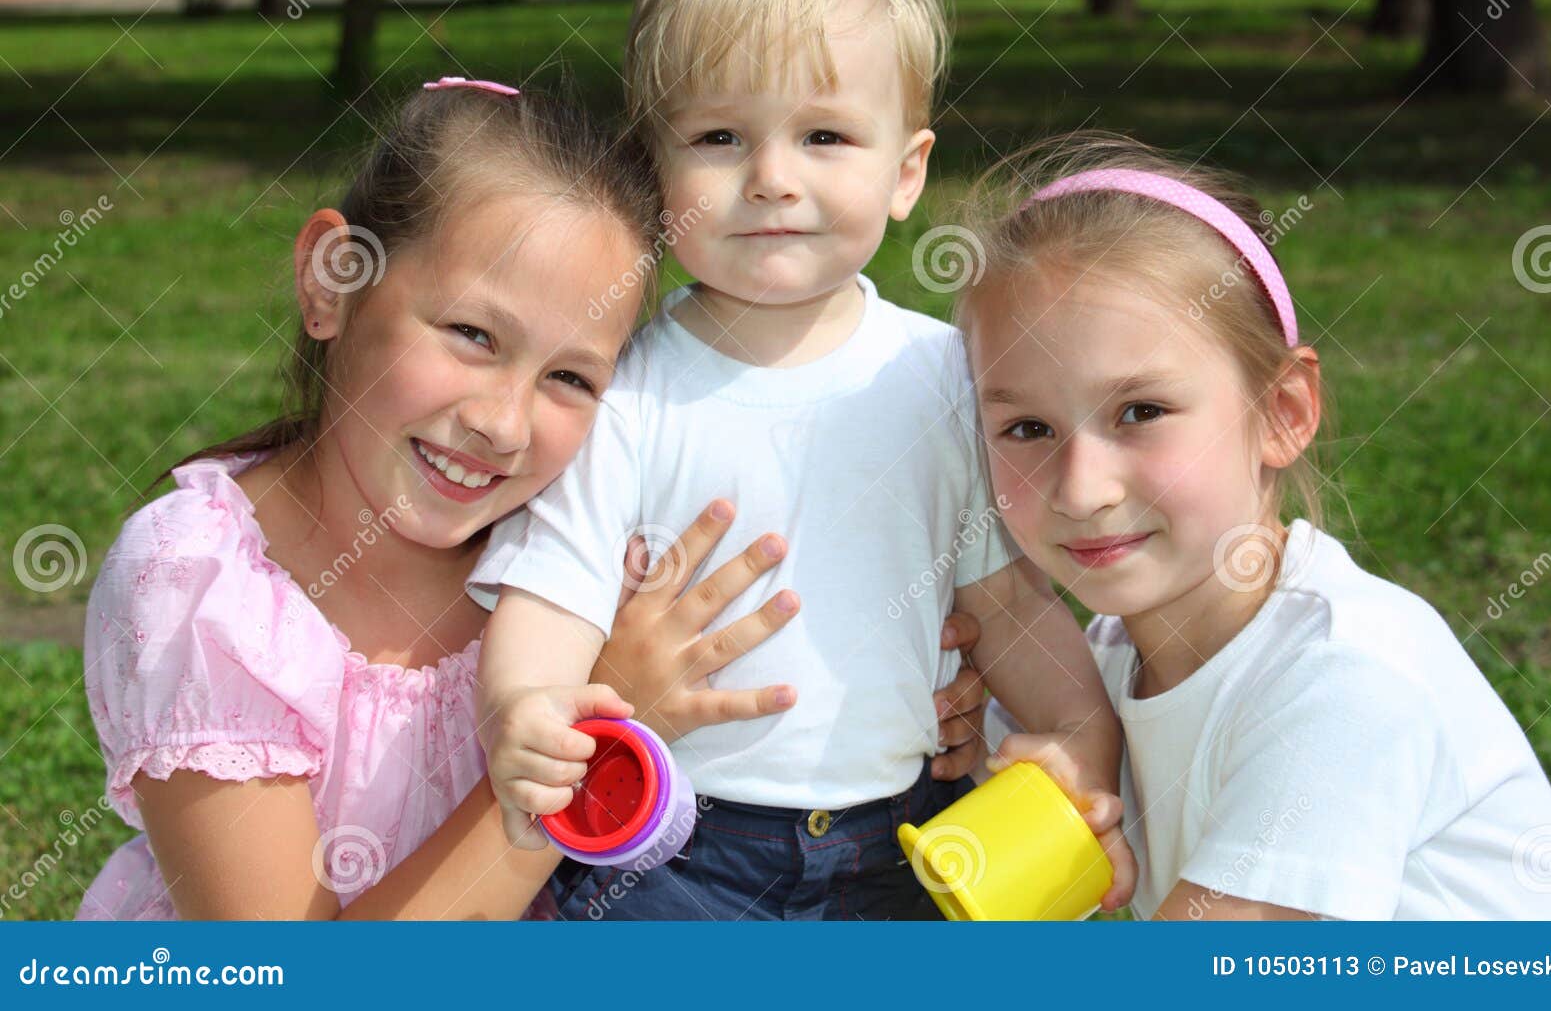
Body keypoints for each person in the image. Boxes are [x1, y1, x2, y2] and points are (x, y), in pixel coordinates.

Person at [76, 77, 993, 920]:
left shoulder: (568, 541)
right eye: (473, 333)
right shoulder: (205, 591)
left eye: (570, 376)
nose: (504, 425)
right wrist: (603, 739)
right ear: (333, 278)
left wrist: (898, 701)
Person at [472, 0, 1131, 921]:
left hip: (914, 834)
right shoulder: (625, 390)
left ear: (907, 170)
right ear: (655, 169)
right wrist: (528, 710)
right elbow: (549, 600)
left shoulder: (941, 376)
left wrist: (1080, 740)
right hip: (669, 849)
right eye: (720, 138)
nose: (773, 177)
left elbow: (1005, 603)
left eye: (824, 136)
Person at [965, 131, 1551, 920]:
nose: (1081, 488)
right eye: (1027, 428)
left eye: (1141, 412)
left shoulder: (1343, 677)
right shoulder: (1099, 667)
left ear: (1282, 412)